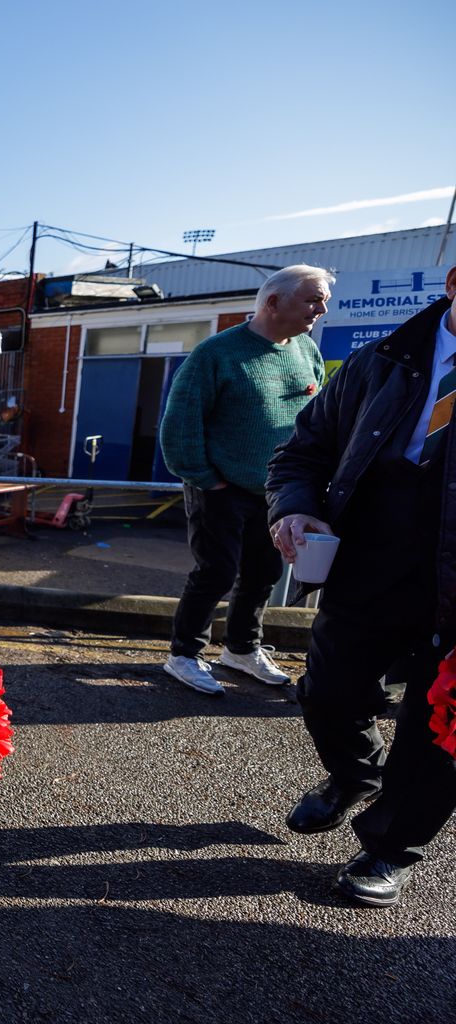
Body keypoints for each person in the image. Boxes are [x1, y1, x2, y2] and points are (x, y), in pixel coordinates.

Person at [267, 266, 456, 907]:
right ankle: (355, 773)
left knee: (436, 726)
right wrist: (293, 507)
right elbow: (303, 451)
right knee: (328, 692)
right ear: (455, 283)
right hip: (369, 560)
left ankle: (388, 849)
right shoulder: (380, 360)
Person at [159, 266, 330, 696]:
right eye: (312, 299)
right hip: (220, 487)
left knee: (263, 573)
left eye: (322, 299)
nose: (321, 308)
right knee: (215, 572)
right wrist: (205, 480)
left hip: (277, 490)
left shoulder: (306, 350)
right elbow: (179, 426)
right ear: (273, 302)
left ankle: (241, 649)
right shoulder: (216, 354)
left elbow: (315, 421)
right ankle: (183, 654)